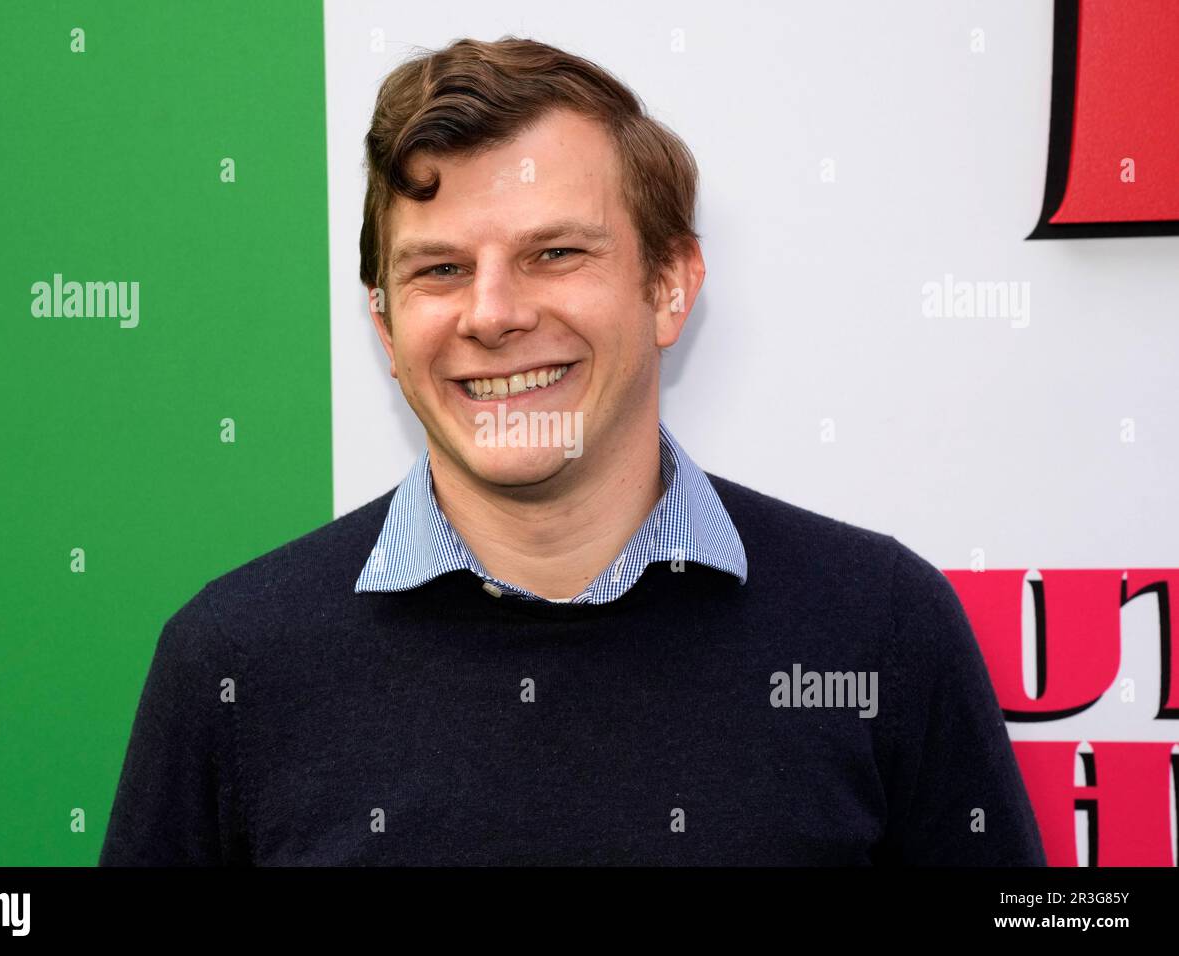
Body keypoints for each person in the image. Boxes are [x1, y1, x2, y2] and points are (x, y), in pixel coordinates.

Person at [99, 36, 1046, 866]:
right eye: (440, 270)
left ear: (671, 286)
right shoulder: (232, 661)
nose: (494, 314)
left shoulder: (881, 626)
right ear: (385, 329)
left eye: (555, 254)